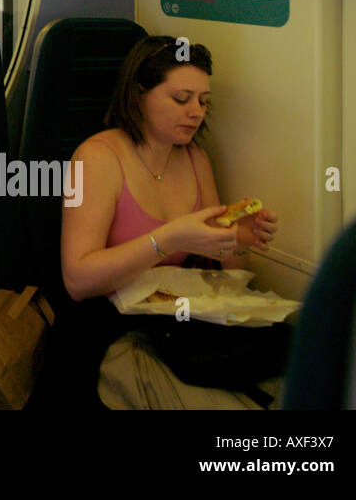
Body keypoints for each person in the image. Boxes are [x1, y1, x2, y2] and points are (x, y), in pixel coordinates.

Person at [58, 35, 280, 408]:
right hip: (114, 328)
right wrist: (167, 239)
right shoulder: (95, 159)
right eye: (181, 99)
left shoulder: (195, 159)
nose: (196, 111)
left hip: (177, 325)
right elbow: (77, 281)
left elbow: (232, 274)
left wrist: (238, 238)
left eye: (203, 102)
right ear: (140, 94)